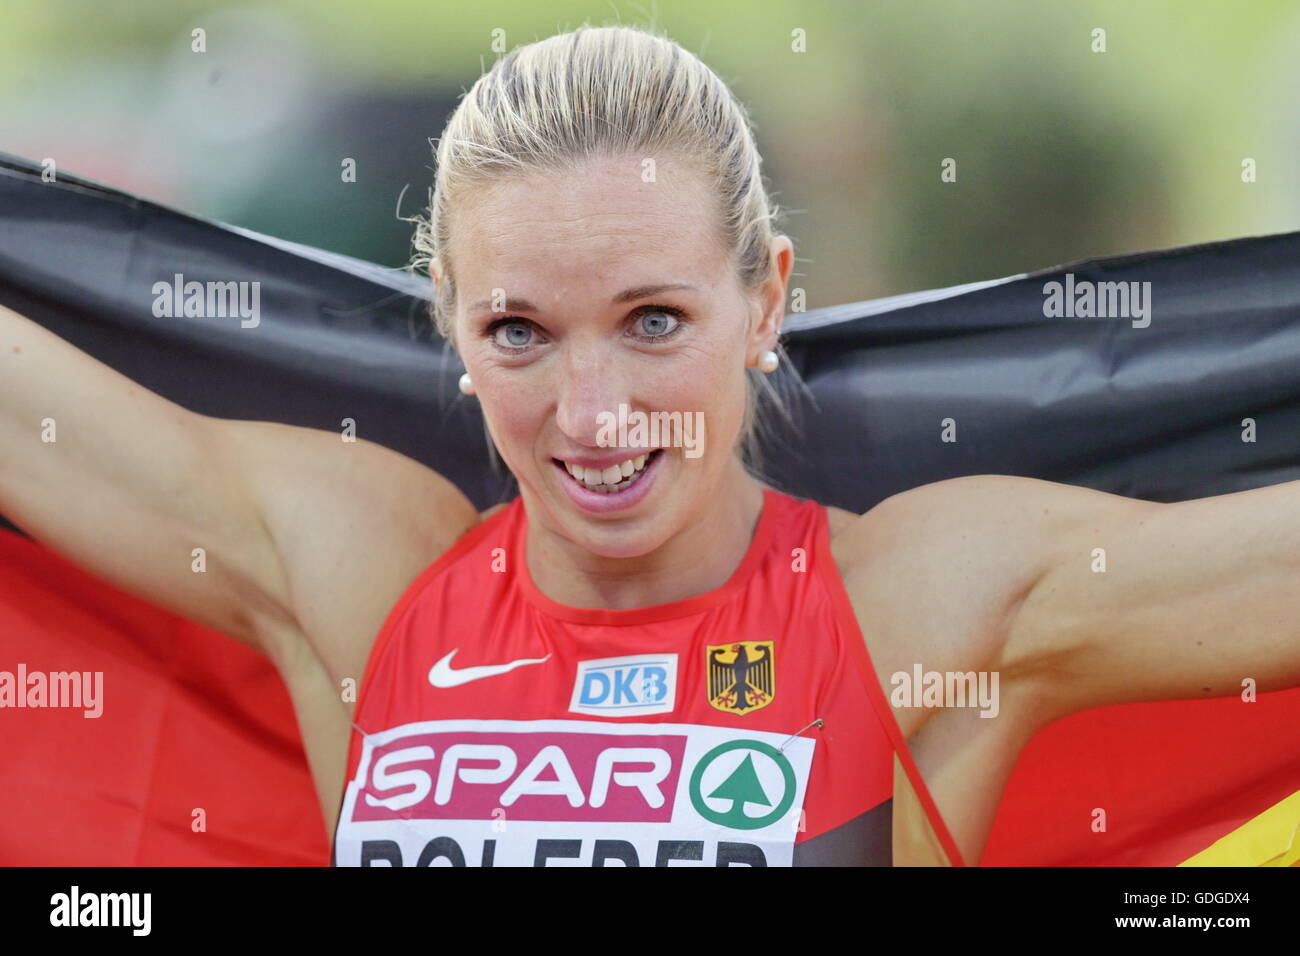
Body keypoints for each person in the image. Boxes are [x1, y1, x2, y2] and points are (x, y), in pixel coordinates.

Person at [2, 24, 1298, 867]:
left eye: (654, 321)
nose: (595, 414)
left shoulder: (921, 597)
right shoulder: (365, 571)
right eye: (518, 332)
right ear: (448, 319)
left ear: (767, 299)